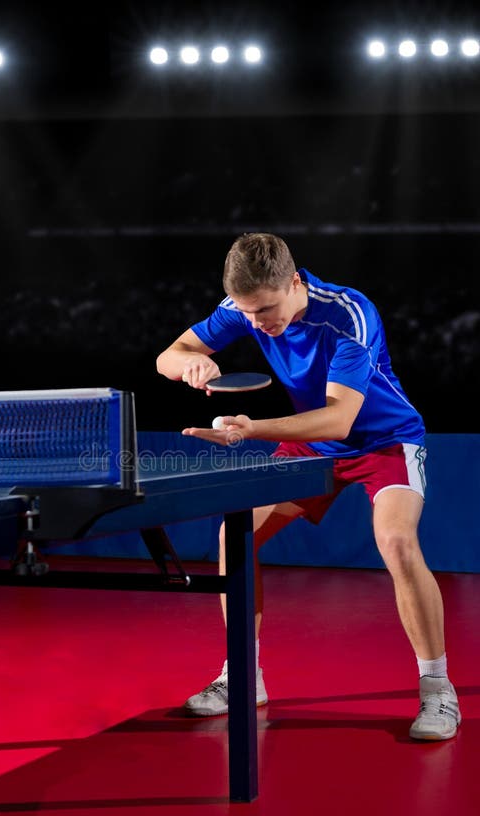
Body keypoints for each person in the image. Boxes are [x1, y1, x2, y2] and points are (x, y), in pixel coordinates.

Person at [156, 232, 461, 741]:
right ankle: (242, 678)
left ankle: (438, 691)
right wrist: (191, 362)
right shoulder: (245, 305)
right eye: (249, 315)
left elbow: (339, 420)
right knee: (237, 538)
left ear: (295, 281)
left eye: (267, 310)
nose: (258, 325)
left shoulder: (348, 313)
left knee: (398, 543)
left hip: (383, 441)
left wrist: (250, 429)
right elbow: (168, 354)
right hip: (312, 444)